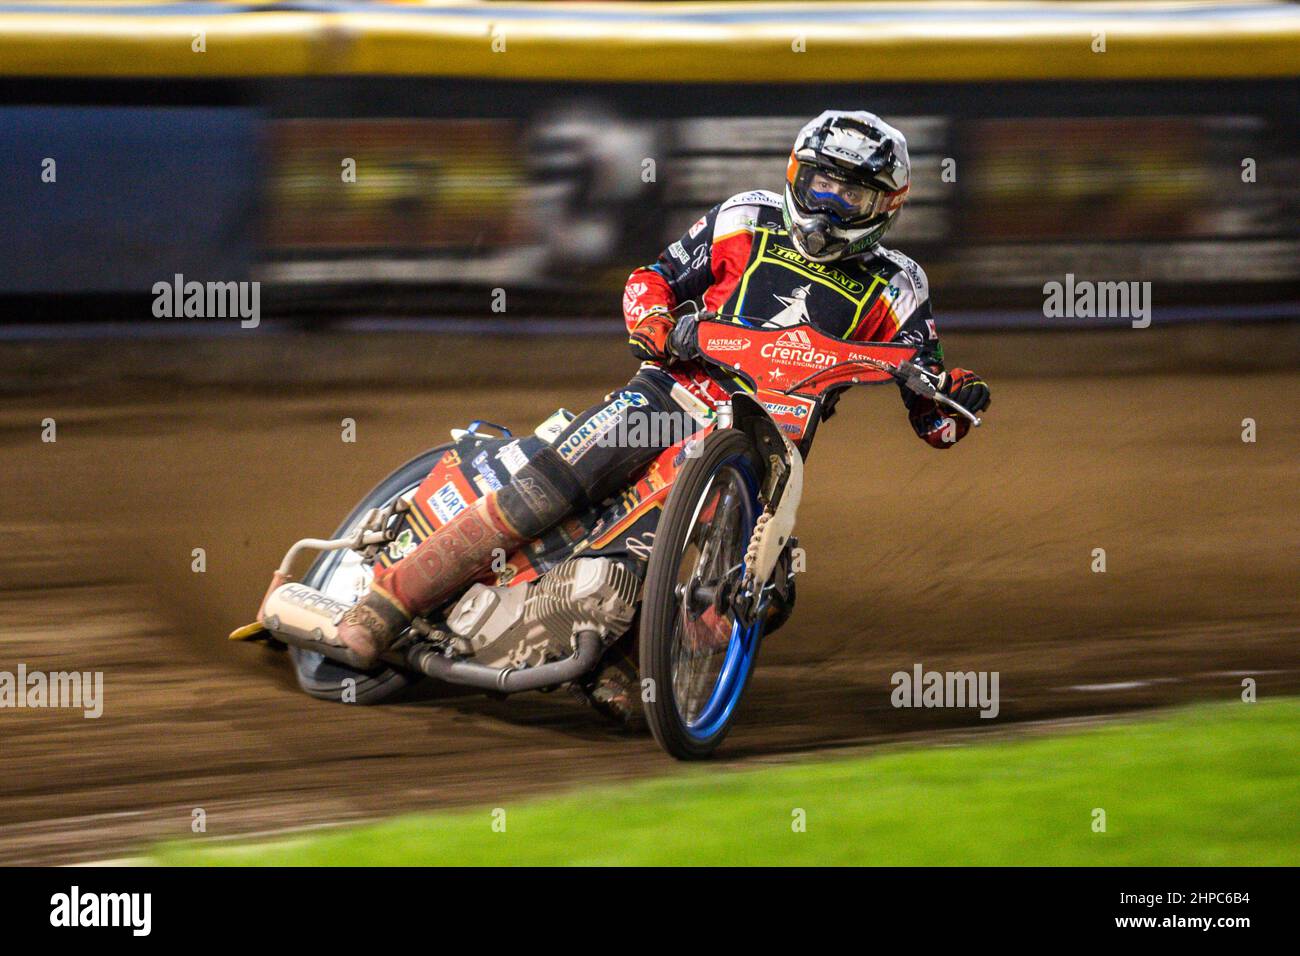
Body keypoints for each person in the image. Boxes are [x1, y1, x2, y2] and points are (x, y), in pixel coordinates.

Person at [334, 109, 991, 678]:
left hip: (769, 445)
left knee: (766, 590)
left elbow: (934, 416)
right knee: (555, 482)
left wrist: (955, 396)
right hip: (670, 394)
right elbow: (653, 276)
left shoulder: (901, 284)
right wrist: (652, 321)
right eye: (823, 185)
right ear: (798, 174)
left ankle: (633, 666)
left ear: (889, 208)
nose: (831, 207)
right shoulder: (744, 217)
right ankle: (386, 602)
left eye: (855, 199)